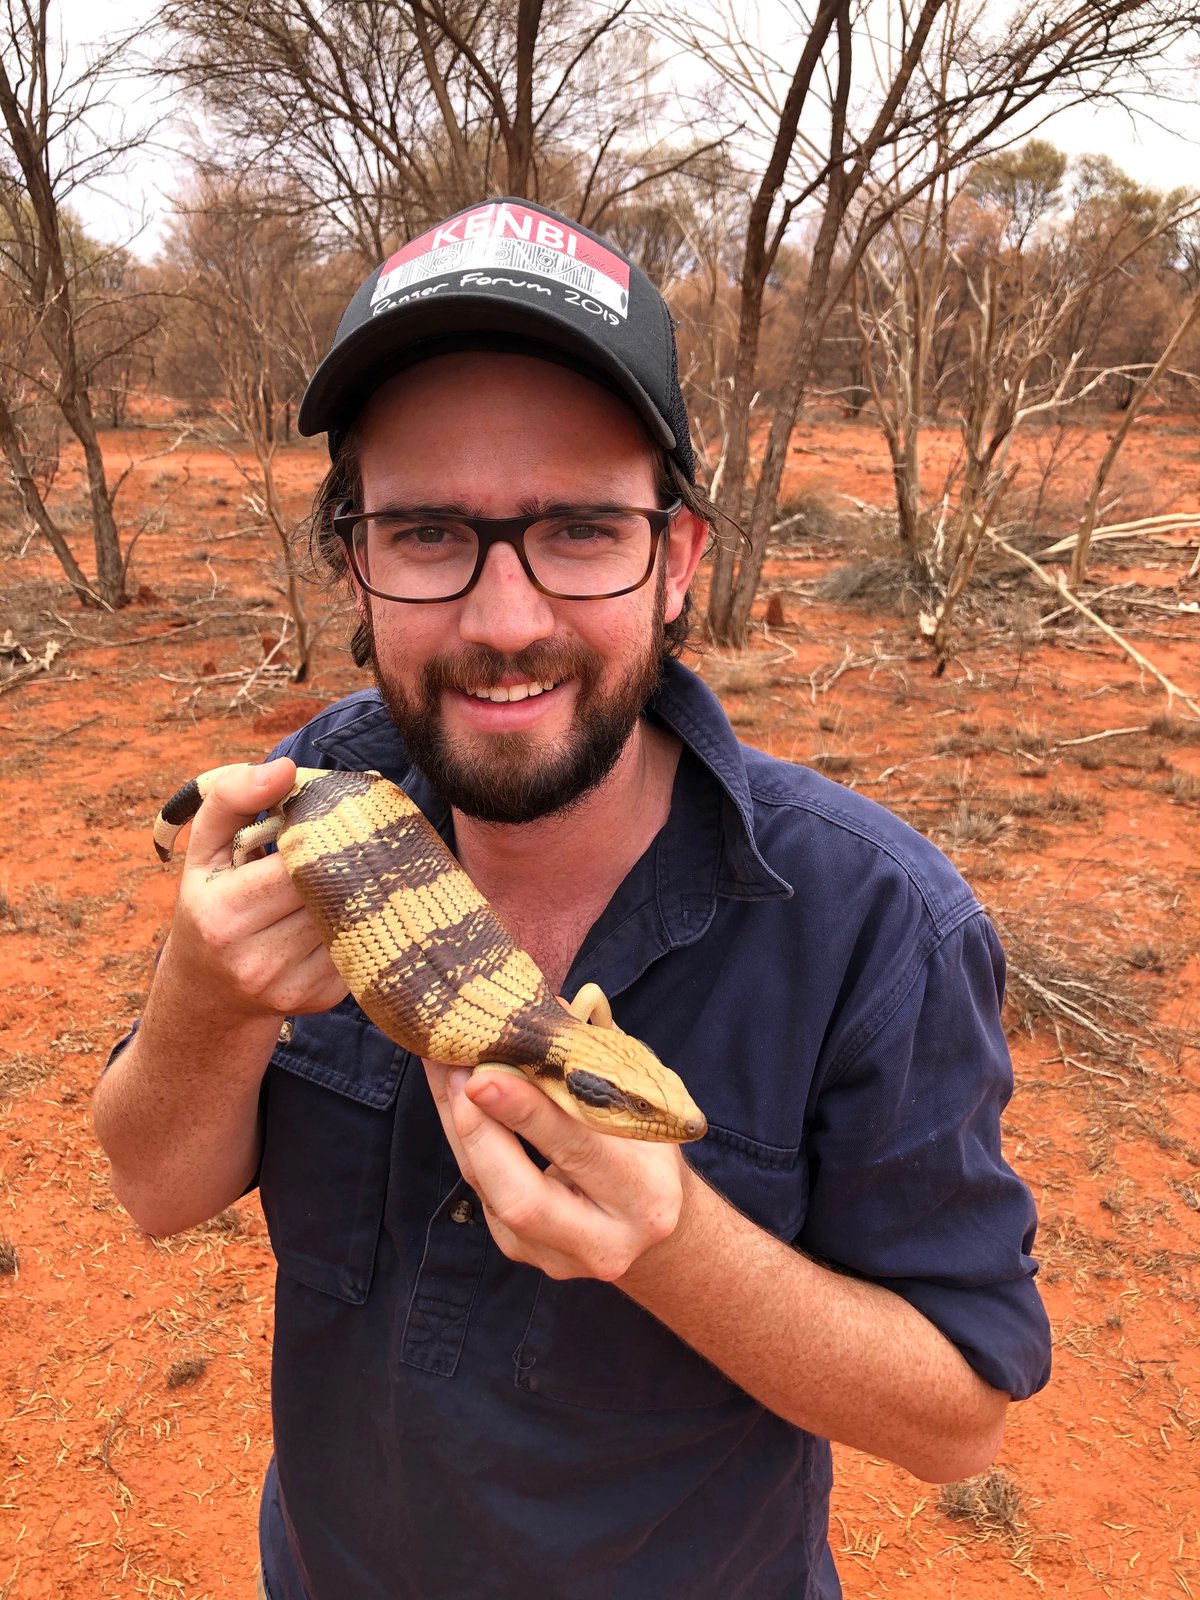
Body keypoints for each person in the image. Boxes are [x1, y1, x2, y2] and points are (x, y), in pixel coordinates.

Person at [95, 197, 1051, 1600]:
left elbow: (959, 1421)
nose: (506, 622)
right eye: (428, 531)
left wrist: (672, 1245)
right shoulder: (311, 805)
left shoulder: (877, 923)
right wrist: (201, 1004)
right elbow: (152, 1189)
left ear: (679, 563)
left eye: (584, 530)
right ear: (356, 566)